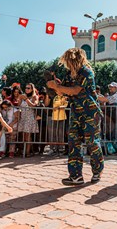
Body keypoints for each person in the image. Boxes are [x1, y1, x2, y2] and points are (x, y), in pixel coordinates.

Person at [46, 47, 104, 186]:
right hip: (75, 112)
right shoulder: (67, 75)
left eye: (69, 60)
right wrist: (53, 86)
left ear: (76, 59)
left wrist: (57, 87)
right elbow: (63, 92)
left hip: (90, 112)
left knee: (91, 142)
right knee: (73, 143)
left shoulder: (86, 72)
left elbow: (75, 90)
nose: (68, 63)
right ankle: (76, 176)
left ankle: (97, 170)